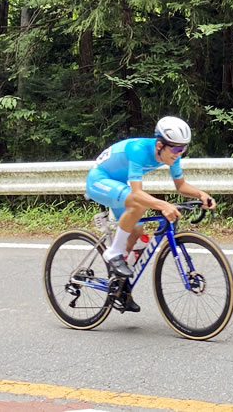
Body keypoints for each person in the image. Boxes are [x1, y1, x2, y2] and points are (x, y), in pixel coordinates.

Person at [85, 116, 216, 311]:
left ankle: (120, 285)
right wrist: (163, 205)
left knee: (137, 230)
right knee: (138, 205)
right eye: (175, 148)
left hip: (119, 185)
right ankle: (113, 253)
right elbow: (137, 193)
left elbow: (180, 186)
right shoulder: (138, 150)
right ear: (159, 145)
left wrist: (201, 194)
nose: (178, 153)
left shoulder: (172, 155)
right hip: (99, 180)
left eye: (183, 149)